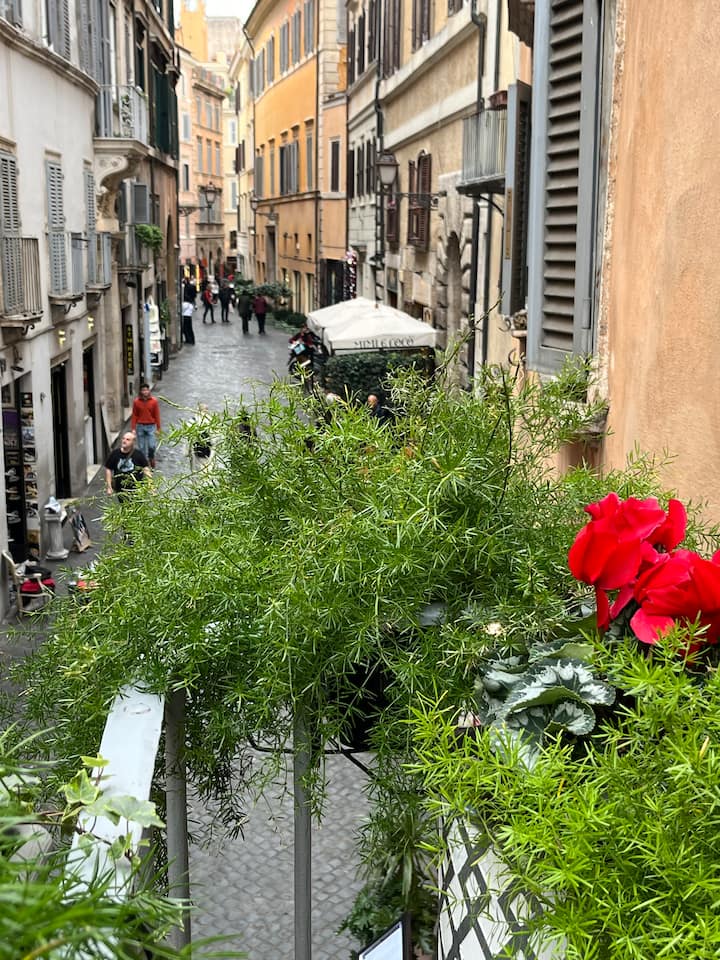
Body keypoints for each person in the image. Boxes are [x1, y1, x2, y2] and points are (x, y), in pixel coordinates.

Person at [104, 431, 151, 502]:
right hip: (121, 489)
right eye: (123, 438)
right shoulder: (115, 454)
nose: (124, 441)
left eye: (128, 439)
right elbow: (108, 469)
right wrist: (109, 487)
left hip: (136, 489)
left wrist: (150, 485)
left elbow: (146, 469)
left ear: (133, 442)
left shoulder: (138, 454)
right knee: (124, 506)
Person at [131, 383, 161, 468]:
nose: (145, 392)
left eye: (147, 390)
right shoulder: (136, 402)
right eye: (143, 390)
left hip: (151, 426)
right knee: (141, 448)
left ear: (149, 391)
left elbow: (157, 415)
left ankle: (151, 458)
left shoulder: (154, 401)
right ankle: (145, 465)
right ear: (140, 391)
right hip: (140, 426)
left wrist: (158, 428)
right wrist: (133, 428)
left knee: (152, 446)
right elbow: (134, 415)